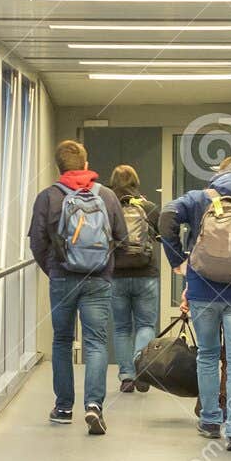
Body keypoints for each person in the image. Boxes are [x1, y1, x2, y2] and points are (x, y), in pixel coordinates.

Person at [159, 155, 231, 451]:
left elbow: (165, 217)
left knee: (208, 356)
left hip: (202, 291)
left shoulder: (199, 199)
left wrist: (180, 262)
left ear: (218, 175)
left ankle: (210, 420)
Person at [28, 139, 127, 435]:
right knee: (95, 342)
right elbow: (122, 238)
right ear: (86, 164)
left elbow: (37, 242)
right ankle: (94, 406)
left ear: (59, 167)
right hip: (97, 279)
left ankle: (63, 408)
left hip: (62, 277)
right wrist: (106, 268)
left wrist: (54, 270)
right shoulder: (107, 196)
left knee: (62, 341)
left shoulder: (48, 197)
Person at [106, 164, 162, 393]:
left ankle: (126, 376)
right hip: (145, 274)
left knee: (121, 328)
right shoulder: (148, 207)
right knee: (146, 325)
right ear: (136, 184)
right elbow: (161, 236)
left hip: (116, 275)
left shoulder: (108, 209)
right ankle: (142, 371)